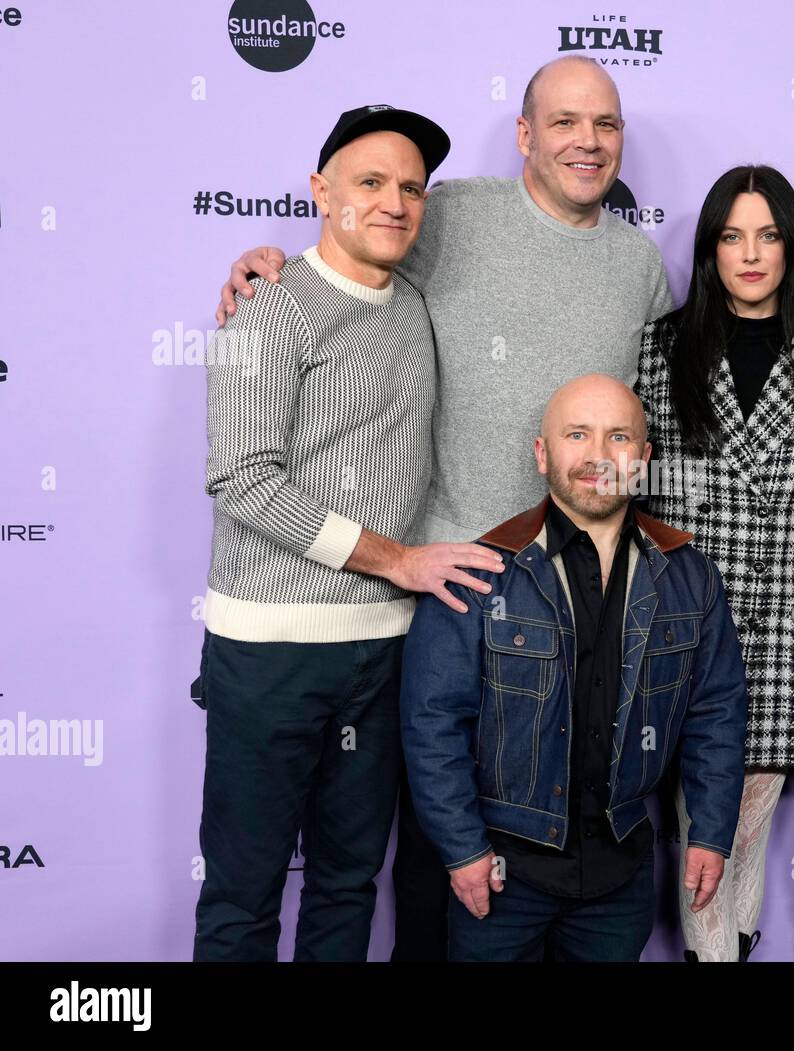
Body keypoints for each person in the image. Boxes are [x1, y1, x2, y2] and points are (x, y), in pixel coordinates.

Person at [211, 57, 675, 960]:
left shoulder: (637, 263)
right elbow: (345, 252)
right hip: (444, 596)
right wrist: (262, 263)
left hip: (570, 603)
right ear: (525, 135)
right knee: (424, 861)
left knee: (376, 871)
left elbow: (656, 406)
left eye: (607, 124)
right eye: (566, 121)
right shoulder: (446, 212)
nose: (588, 141)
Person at [193, 105, 506, 961]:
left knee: (347, 883)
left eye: (412, 188)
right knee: (243, 891)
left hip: (383, 652)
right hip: (270, 652)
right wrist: (398, 559)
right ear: (321, 191)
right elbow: (241, 478)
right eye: (371, 183)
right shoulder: (264, 307)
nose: (395, 203)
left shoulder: (414, 304)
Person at [399, 374, 748, 961]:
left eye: (618, 437)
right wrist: (463, 852)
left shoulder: (690, 577)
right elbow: (433, 723)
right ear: (542, 453)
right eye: (576, 435)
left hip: (621, 877)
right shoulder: (479, 573)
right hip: (501, 871)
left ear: (644, 458)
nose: (597, 456)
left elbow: (717, 713)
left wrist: (711, 833)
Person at [635, 166, 794, 961]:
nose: (750, 253)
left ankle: (723, 951)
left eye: (768, 234)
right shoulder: (662, 349)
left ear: (792, 247)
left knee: (743, 824)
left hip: (784, 639)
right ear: (709, 249)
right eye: (732, 236)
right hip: (683, 633)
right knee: (710, 825)